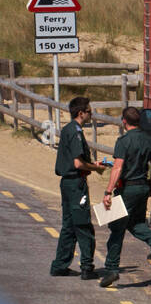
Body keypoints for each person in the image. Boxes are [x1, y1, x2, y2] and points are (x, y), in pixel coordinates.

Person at [99, 107, 151, 288]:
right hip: (142, 187)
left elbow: (118, 168)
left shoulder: (123, 141)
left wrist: (108, 191)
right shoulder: (148, 140)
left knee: (116, 228)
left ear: (123, 121)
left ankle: (111, 269)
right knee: (136, 224)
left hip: (127, 189)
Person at [50, 96, 105, 279]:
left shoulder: (68, 129)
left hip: (67, 183)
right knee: (82, 225)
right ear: (81, 113)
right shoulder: (75, 131)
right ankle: (87, 267)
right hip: (75, 184)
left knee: (69, 225)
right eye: (89, 111)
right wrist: (95, 168)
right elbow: (78, 163)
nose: (91, 114)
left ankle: (60, 264)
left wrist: (91, 164)